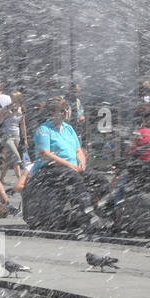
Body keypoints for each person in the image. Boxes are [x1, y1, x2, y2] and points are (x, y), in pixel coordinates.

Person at [25, 96, 110, 231]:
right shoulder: (44, 129)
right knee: (73, 178)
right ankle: (84, 215)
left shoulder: (69, 128)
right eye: (62, 110)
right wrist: (70, 165)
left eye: (66, 110)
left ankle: (104, 212)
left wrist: (82, 163)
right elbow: (45, 154)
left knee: (100, 179)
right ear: (52, 113)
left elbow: (78, 150)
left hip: (73, 167)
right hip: (49, 169)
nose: (66, 113)